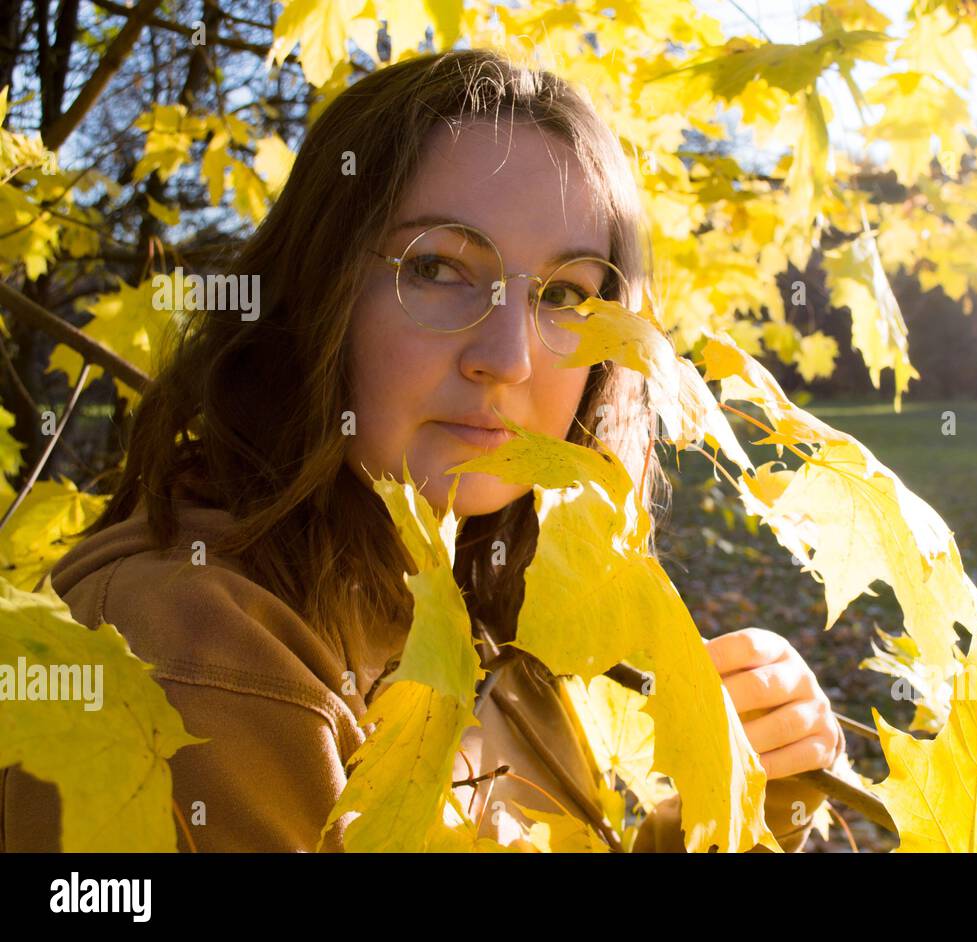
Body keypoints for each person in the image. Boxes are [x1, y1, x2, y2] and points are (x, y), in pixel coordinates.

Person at [0, 48, 844, 853]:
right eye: (439, 268)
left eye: (563, 294)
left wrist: (753, 791)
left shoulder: (479, 608)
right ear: (315, 292)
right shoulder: (204, 649)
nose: (508, 356)